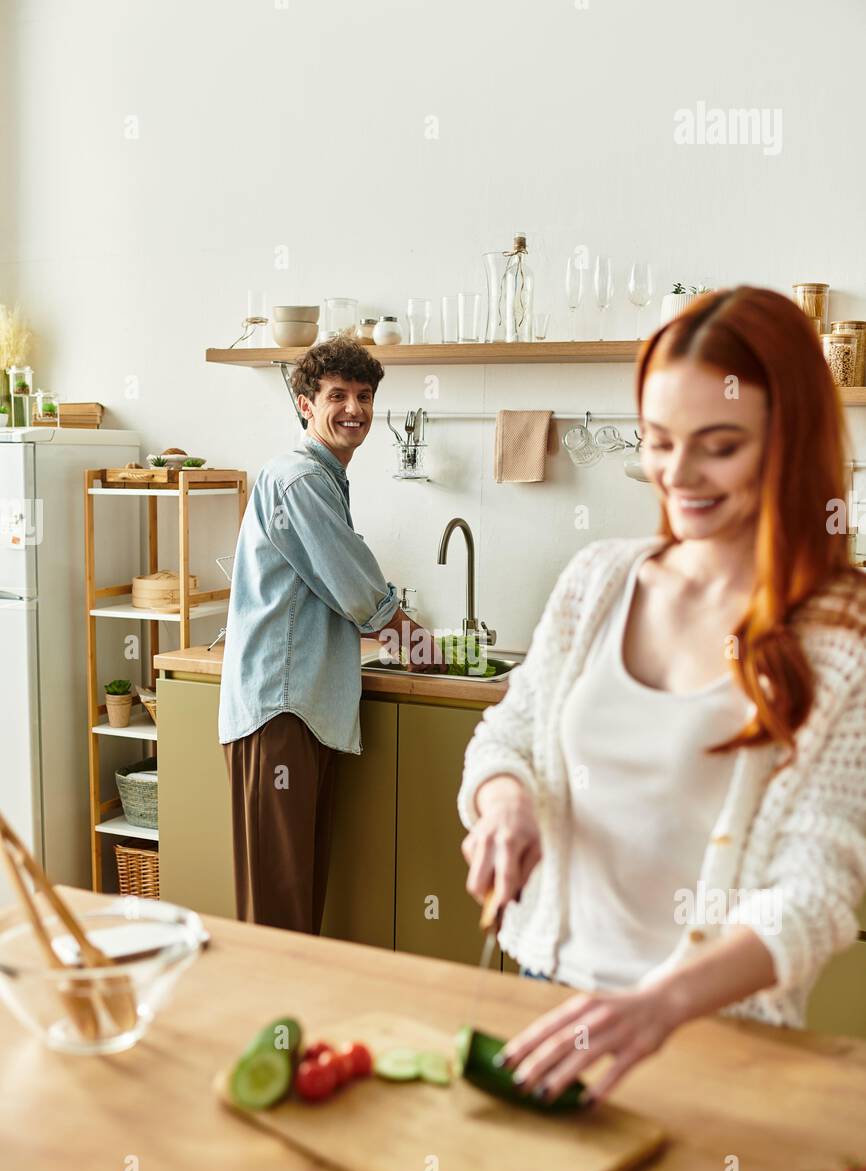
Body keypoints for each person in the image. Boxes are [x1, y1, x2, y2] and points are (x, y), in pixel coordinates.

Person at [459, 286, 866, 1105]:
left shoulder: (842, 634)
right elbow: (510, 733)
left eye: (719, 446)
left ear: (790, 444)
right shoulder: (599, 580)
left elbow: (820, 890)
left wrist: (659, 1006)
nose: (679, 475)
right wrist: (505, 805)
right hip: (547, 994)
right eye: (658, 441)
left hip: (716, 1036)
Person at [219, 334, 441, 935]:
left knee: (297, 897)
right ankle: (270, 1028)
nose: (355, 409)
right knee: (278, 909)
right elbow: (356, 588)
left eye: (365, 396)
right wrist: (423, 648)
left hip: (303, 709)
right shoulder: (299, 479)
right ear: (304, 403)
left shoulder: (324, 479)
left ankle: (296, 1028)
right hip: (281, 710)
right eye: (337, 394)